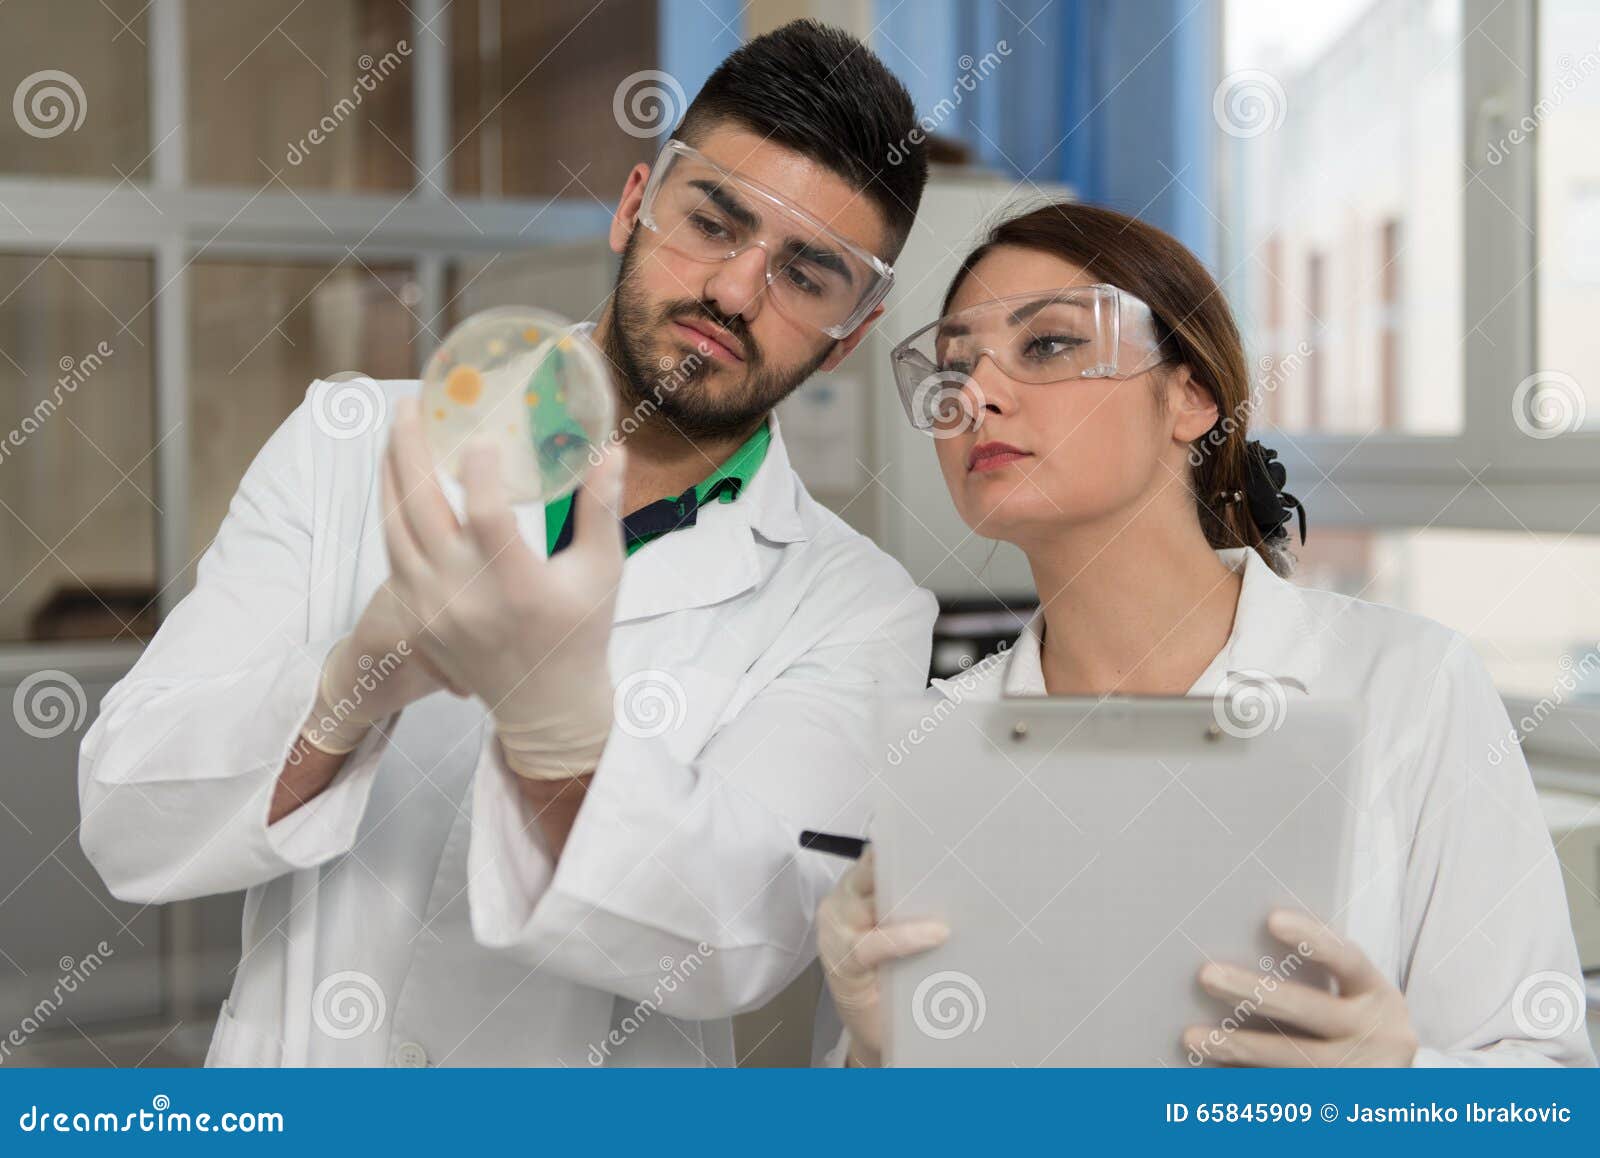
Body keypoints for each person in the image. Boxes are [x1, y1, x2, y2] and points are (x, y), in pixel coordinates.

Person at [77, 20, 938, 1067]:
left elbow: (740, 942)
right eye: (713, 222)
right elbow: (128, 812)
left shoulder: (857, 607)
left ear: (850, 332)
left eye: (807, 275)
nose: (733, 291)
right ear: (634, 207)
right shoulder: (352, 440)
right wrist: (350, 682)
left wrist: (560, 739)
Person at [816, 201, 1597, 1068]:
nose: (975, 395)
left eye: (1048, 345)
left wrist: (1398, 1086)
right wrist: (879, 1055)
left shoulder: (1408, 684)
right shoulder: (940, 743)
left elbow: (1543, 1092)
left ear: (1191, 396)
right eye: (953, 368)